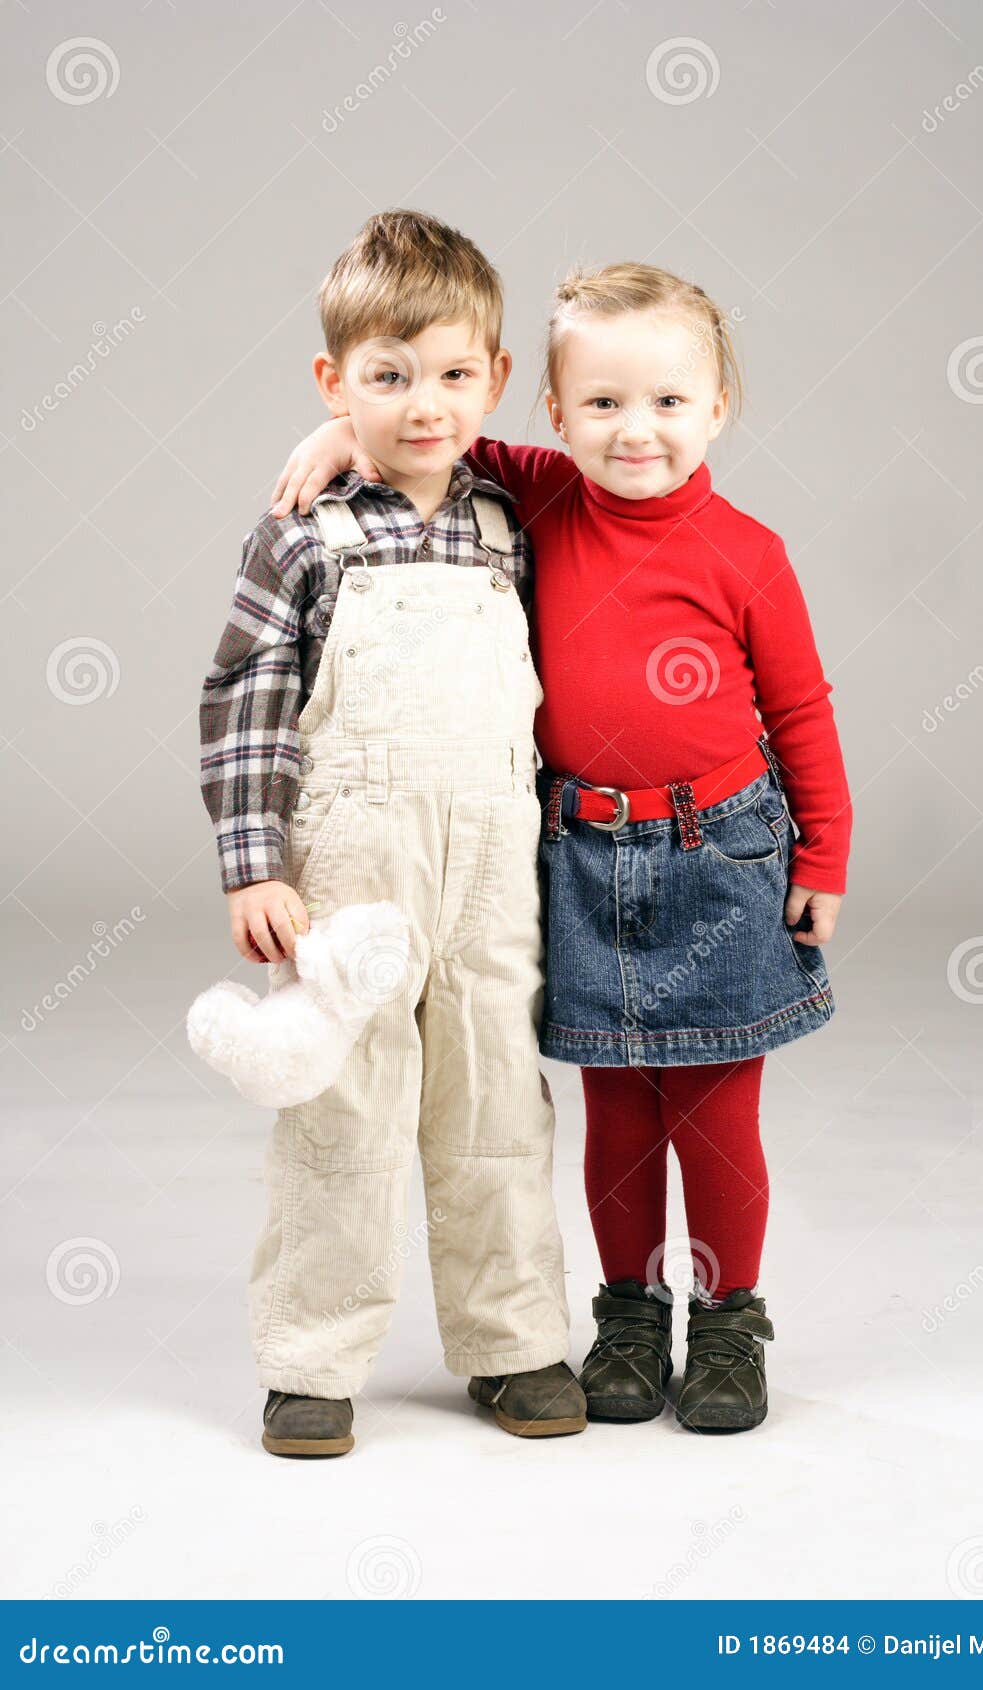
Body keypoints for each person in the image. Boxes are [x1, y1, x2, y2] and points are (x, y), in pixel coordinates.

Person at [270, 259, 853, 1435]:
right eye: (600, 404)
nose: (634, 431)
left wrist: (822, 857)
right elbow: (431, 425)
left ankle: (727, 1313)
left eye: (667, 403)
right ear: (549, 411)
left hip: (720, 857)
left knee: (714, 1110)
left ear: (717, 407)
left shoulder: (747, 551)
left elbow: (800, 713)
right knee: (617, 1115)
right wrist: (343, 426)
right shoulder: (538, 497)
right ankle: (628, 1313)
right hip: (582, 856)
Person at [198, 210, 586, 1458]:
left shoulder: (509, 526)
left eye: (452, 375)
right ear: (333, 381)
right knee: (343, 1103)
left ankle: (513, 1338)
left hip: (490, 865)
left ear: (496, 379)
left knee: (494, 1098)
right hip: (352, 867)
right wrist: (252, 859)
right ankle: (309, 1361)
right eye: (385, 377)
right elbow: (246, 697)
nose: (424, 404)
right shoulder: (304, 531)